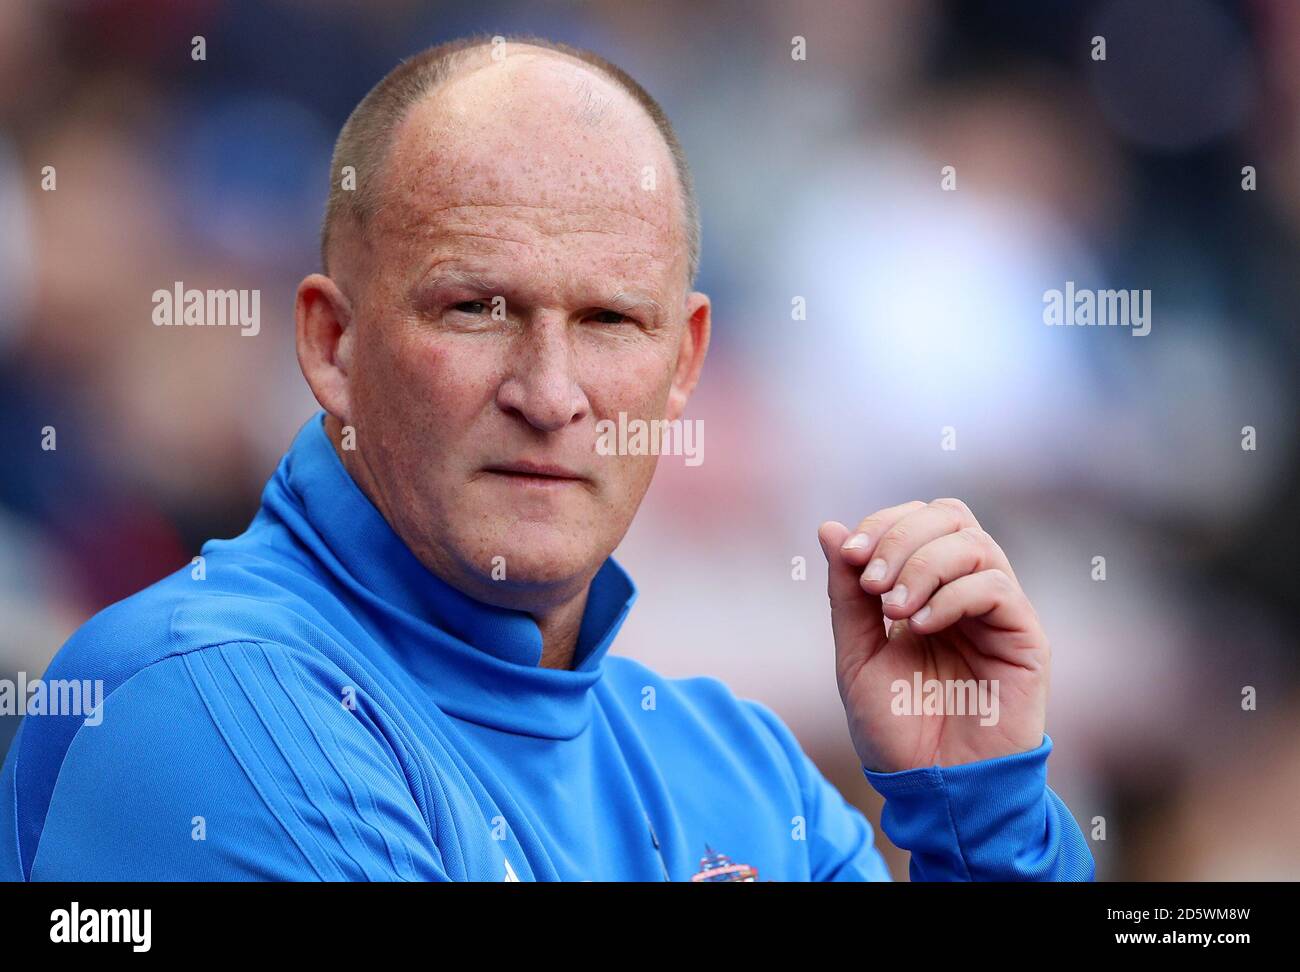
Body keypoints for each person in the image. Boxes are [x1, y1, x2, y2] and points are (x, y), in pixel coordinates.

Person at [0, 34, 1093, 881]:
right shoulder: (193, 701)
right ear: (333, 346)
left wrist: (979, 818)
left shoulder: (744, 773)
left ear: (684, 363)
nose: (550, 393)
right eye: (476, 308)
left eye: (613, 320)